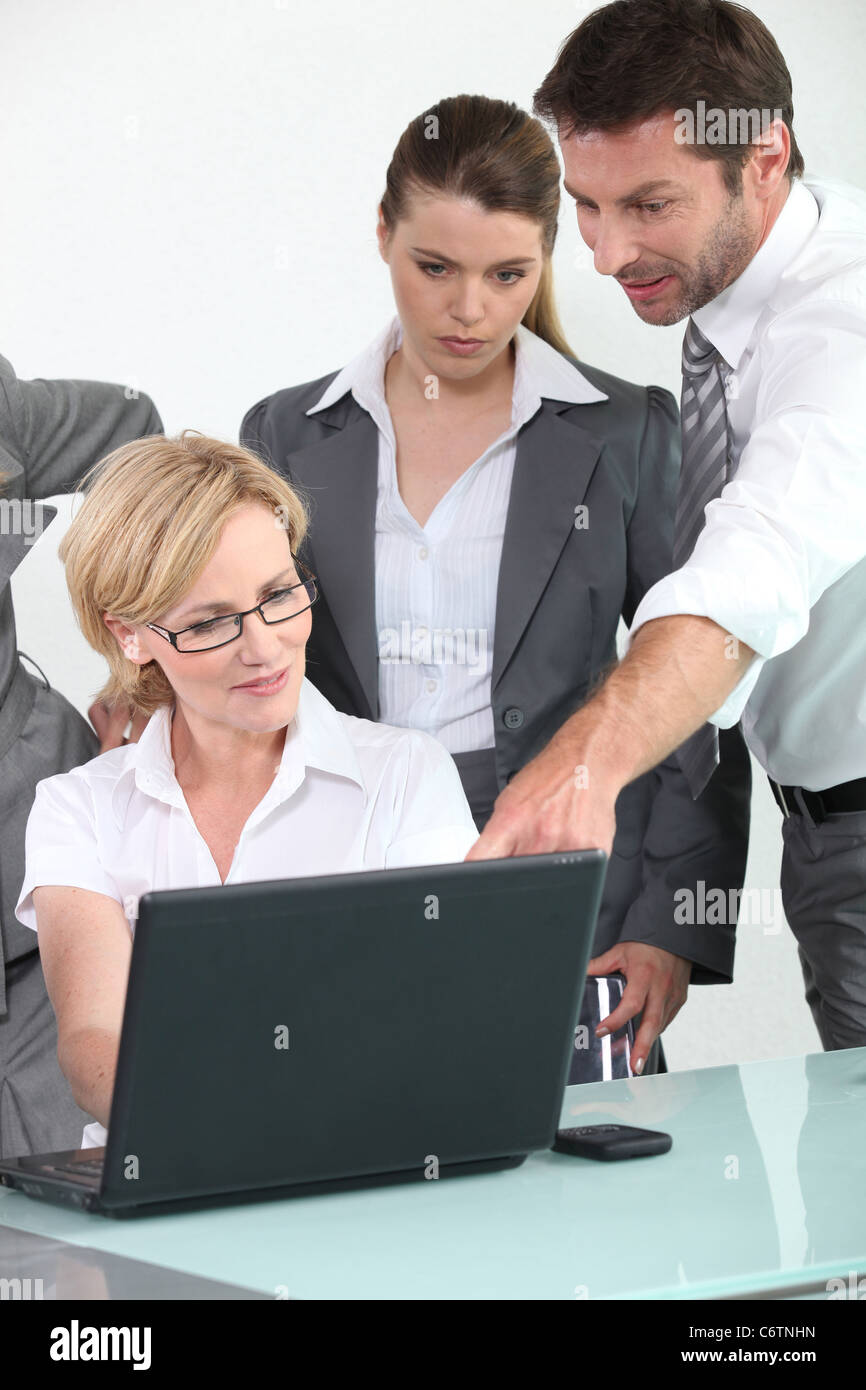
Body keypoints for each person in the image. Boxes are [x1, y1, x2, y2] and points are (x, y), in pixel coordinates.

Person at [241, 94, 752, 1080]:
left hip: (571, 878)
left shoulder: (627, 433)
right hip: (344, 871)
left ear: (547, 260)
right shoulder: (285, 433)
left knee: (582, 1202)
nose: (466, 309)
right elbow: (239, 645)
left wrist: (675, 927)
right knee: (355, 1176)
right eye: (433, 267)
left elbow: (703, 685)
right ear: (382, 234)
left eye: (506, 274)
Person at [467, 0, 866, 1052]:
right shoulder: (747, 294)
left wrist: (582, 765)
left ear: (762, 155)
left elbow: (747, 570)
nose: (604, 254)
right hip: (822, 832)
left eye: (648, 204)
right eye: (587, 207)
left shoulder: (842, 331)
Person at [14, 433, 479, 1149]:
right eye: (209, 622)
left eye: (279, 595)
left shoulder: (405, 776)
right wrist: (220, 1130)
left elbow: (445, 1016)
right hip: (164, 1174)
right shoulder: (78, 808)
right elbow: (92, 1043)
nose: (264, 647)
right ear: (131, 636)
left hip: (363, 1168)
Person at [0, 355, 161, 1158]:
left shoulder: (8, 407)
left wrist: (134, 661)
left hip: (26, 836)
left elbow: (133, 435)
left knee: (75, 1169)